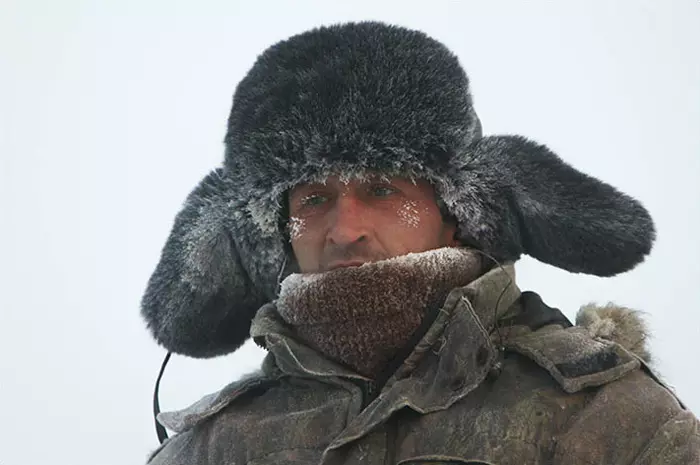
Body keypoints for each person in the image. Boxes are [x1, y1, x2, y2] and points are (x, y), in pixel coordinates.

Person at [141, 21, 699, 464]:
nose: (343, 228)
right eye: (312, 200)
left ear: (457, 210)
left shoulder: (607, 421)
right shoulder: (209, 450)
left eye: (382, 188)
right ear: (270, 233)